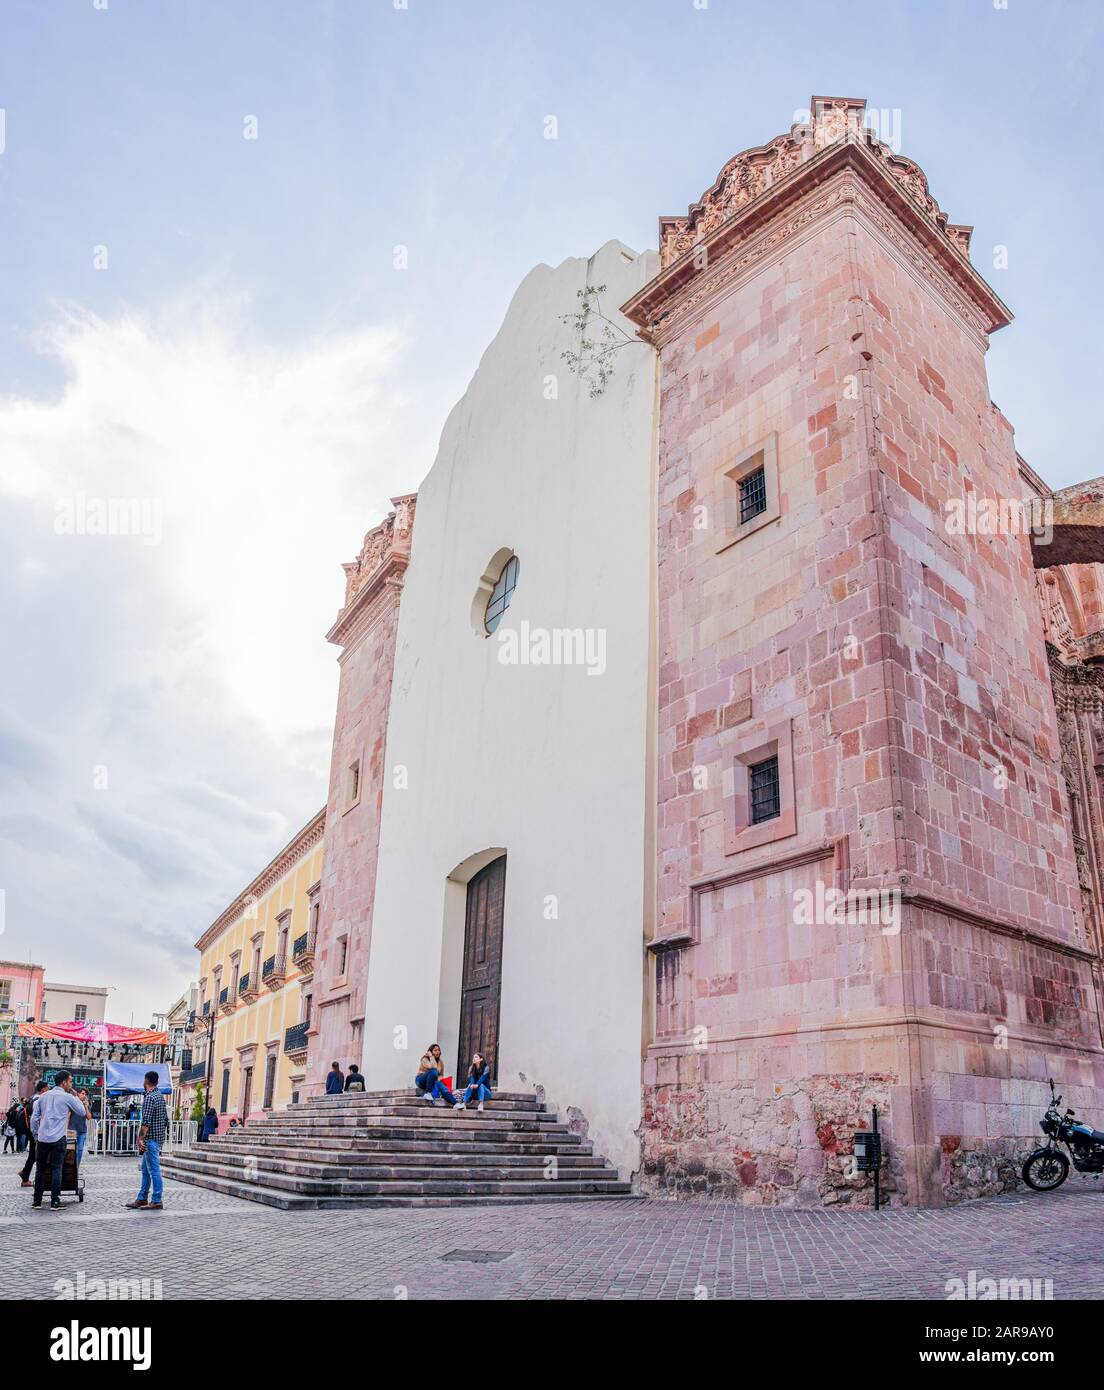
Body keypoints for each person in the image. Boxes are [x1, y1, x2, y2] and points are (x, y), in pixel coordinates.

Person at [30, 1071, 88, 1211]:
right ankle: (55, 1202)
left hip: (43, 1138)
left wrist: (36, 1135)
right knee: (57, 1169)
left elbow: (34, 1118)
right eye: (70, 1081)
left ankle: (37, 1201)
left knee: (40, 1169)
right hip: (58, 1138)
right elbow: (82, 1112)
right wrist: (75, 1095)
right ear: (64, 1082)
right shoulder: (68, 1097)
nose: (71, 1084)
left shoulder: (43, 1097)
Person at [124, 1071, 168, 1212]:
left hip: (150, 1140)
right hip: (157, 1139)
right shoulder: (160, 1096)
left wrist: (140, 1138)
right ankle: (142, 1197)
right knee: (145, 1170)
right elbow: (166, 1120)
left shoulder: (150, 1098)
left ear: (145, 1080)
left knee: (154, 1170)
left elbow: (146, 1122)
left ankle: (156, 1200)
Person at [18, 1082, 49, 1187]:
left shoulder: (32, 1098)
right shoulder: (38, 1100)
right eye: (47, 1088)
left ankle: (25, 1175)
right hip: (34, 1132)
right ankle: (27, 1176)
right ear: (43, 1089)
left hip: (31, 1131)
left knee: (33, 1155)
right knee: (36, 1155)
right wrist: (36, 1134)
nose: (48, 1090)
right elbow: (35, 1119)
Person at [70, 1090, 90, 1167]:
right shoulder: (74, 1103)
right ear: (78, 1094)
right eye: (82, 1093)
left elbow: (89, 1117)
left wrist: (86, 1107)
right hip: (73, 1130)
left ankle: (76, 1167)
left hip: (82, 1130)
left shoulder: (86, 1104)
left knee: (80, 1150)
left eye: (85, 1094)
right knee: (72, 1150)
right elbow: (68, 1116)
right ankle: (71, 1166)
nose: (84, 1095)